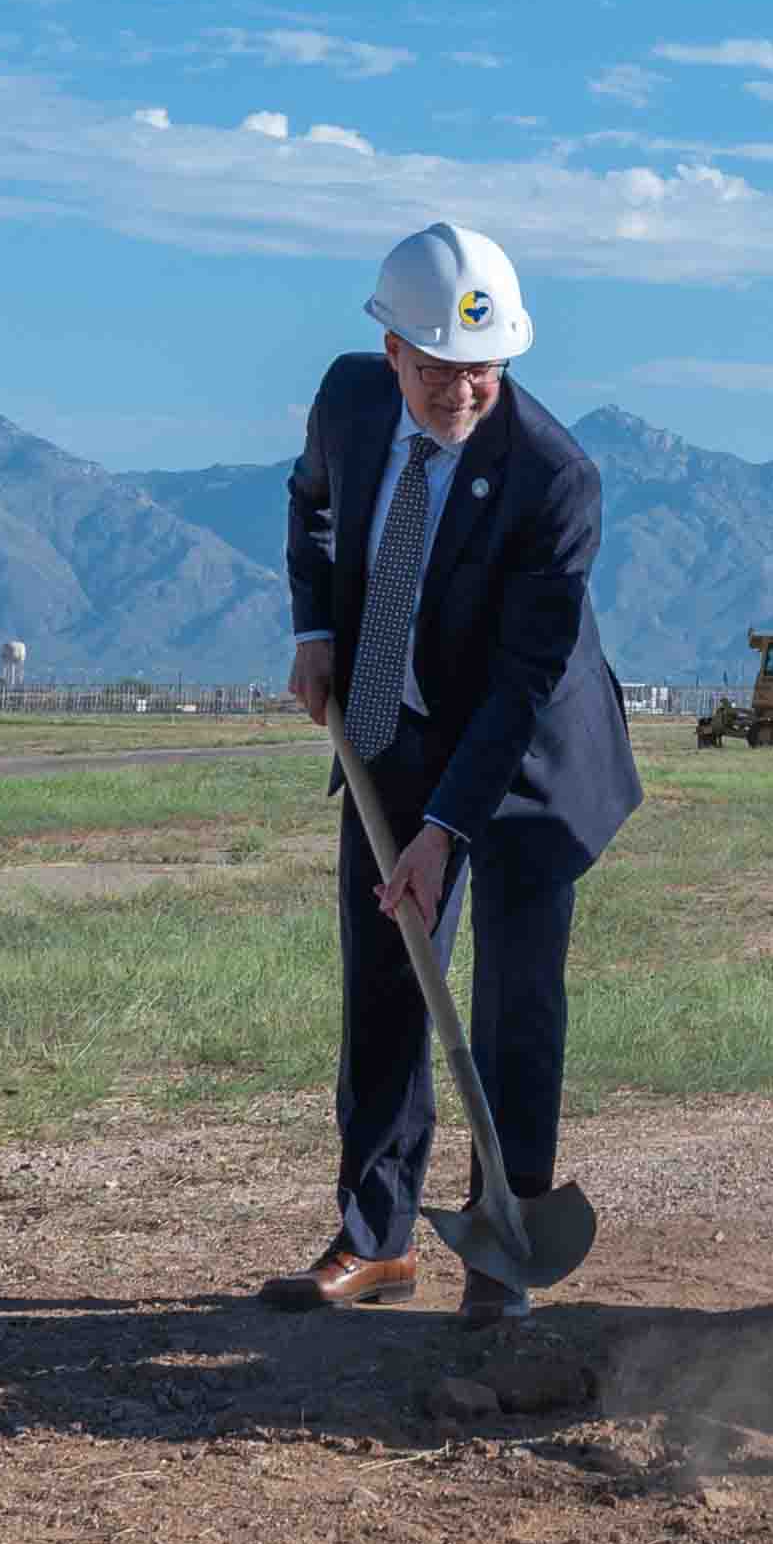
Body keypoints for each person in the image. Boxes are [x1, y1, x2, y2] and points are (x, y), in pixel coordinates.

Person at [264, 221, 644, 1326]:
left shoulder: (554, 475)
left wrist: (443, 828)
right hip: (389, 712)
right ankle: (377, 1236)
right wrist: (313, 630)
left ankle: (504, 1238)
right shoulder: (347, 399)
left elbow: (522, 684)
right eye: (438, 370)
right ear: (391, 351)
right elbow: (312, 504)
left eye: (484, 369)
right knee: (385, 974)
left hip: (529, 760)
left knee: (514, 995)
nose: (462, 392)